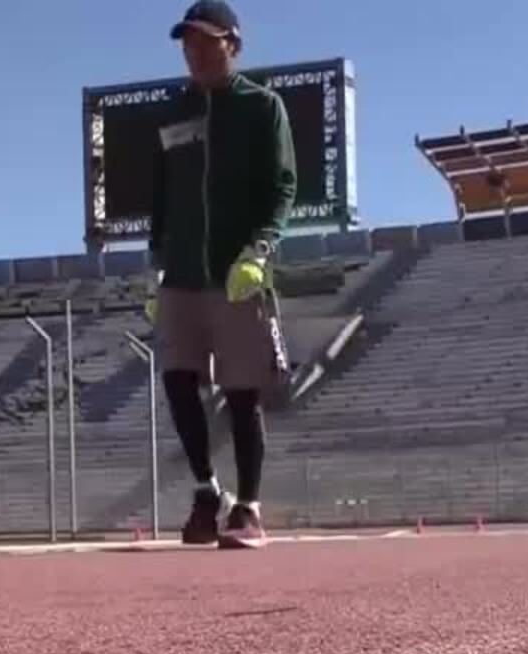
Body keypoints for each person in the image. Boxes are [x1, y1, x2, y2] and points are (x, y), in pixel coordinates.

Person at [148, 0, 297, 550]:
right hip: (182, 272)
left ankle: (248, 508)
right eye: (187, 43)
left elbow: (282, 187)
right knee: (177, 379)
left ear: (232, 44)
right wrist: (154, 265)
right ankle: (206, 491)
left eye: (206, 42)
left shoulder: (262, 107)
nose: (194, 52)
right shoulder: (172, 112)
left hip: (238, 271)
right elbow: (161, 196)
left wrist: (260, 250)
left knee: (240, 393)